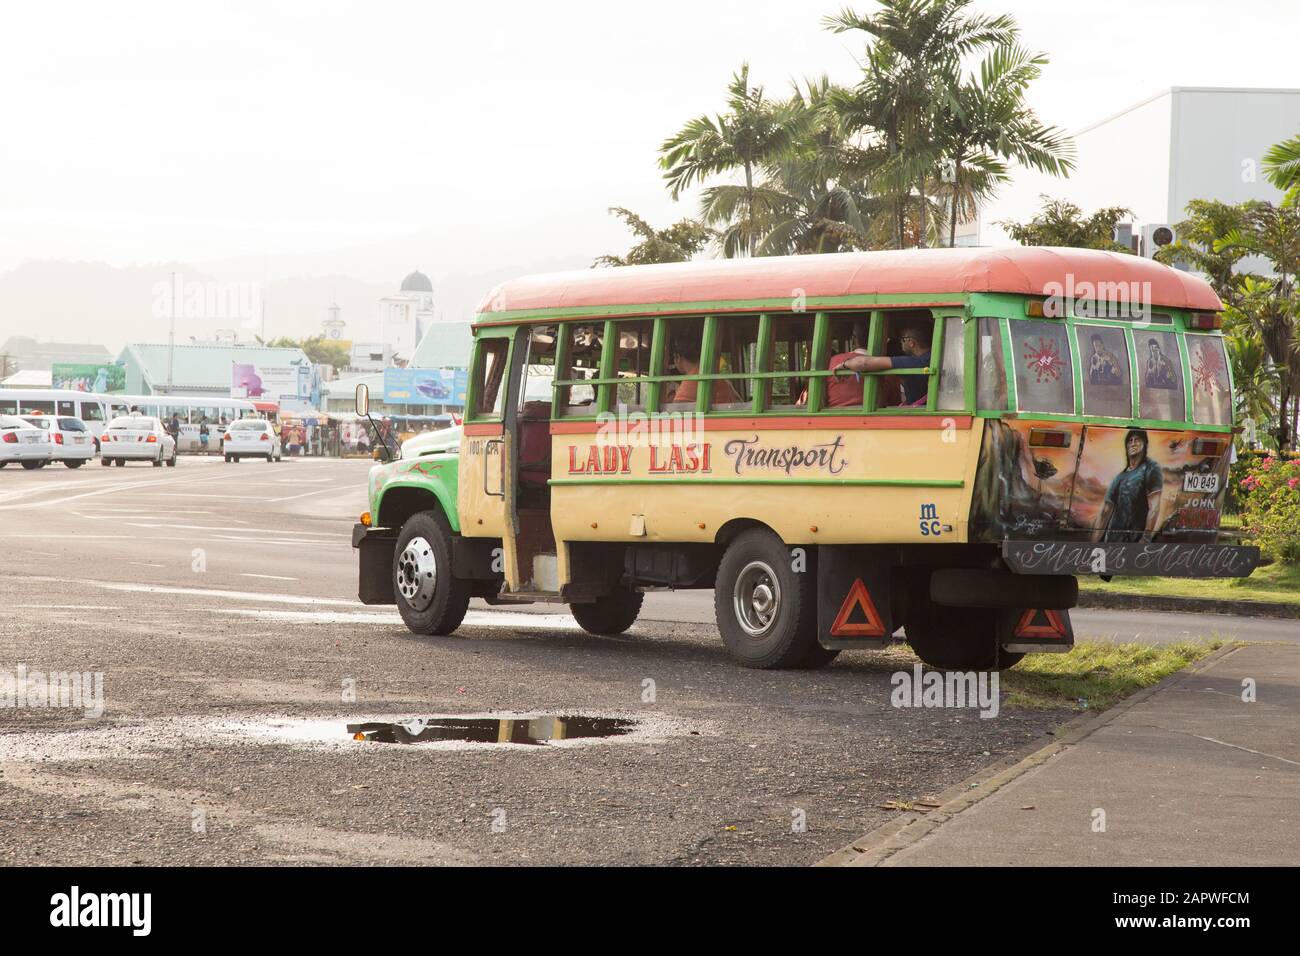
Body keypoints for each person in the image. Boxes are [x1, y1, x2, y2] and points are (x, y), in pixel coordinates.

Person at [1091, 429, 1164, 543]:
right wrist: (1092, 544)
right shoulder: (1120, 477)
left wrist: (1146, 537)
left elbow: (1154, 507)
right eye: (1130, 441)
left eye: (1137, 440)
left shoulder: (1151, 468)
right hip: (1112, 539)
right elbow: (1105, 512)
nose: (1133, 443)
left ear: (1145, 444)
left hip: (1134, 540)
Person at [838, 322, 932, 406]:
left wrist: (845, 364)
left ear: (911, 343)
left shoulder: (912, 362)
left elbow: (863, 363)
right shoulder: (932, 358)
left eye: (903, 339)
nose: (900, 342)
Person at [667, 337, 740, 405]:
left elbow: (676, 413)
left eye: (673, 358)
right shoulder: (720, 379)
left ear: (678, 358)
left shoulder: (690, 383)